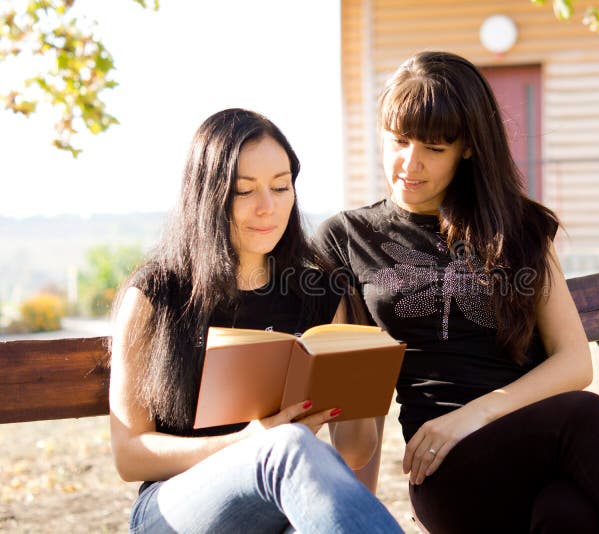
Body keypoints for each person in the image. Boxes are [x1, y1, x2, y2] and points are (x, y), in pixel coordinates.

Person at [316, 51, 599, 533]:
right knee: (584, 416)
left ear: (468, 148)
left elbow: (574, 361)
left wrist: (476, 413)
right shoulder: (347, 238)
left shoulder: (517, 226)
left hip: (542, 447)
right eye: (398, 141)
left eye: (433, 148)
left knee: (567, 517)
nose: (409, 163)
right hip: (450, 466)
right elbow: (359, 401)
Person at [109, 108, 402, 534]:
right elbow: (129, 454)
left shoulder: (318, 293)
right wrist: (248, 442)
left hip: (283, 506)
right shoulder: (157, 294)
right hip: (173, 509)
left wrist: (354, 382)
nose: (268, 207)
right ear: (208, 195)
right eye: (244, 191)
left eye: (281, 187)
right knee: (286, 444)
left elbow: (355, 453)